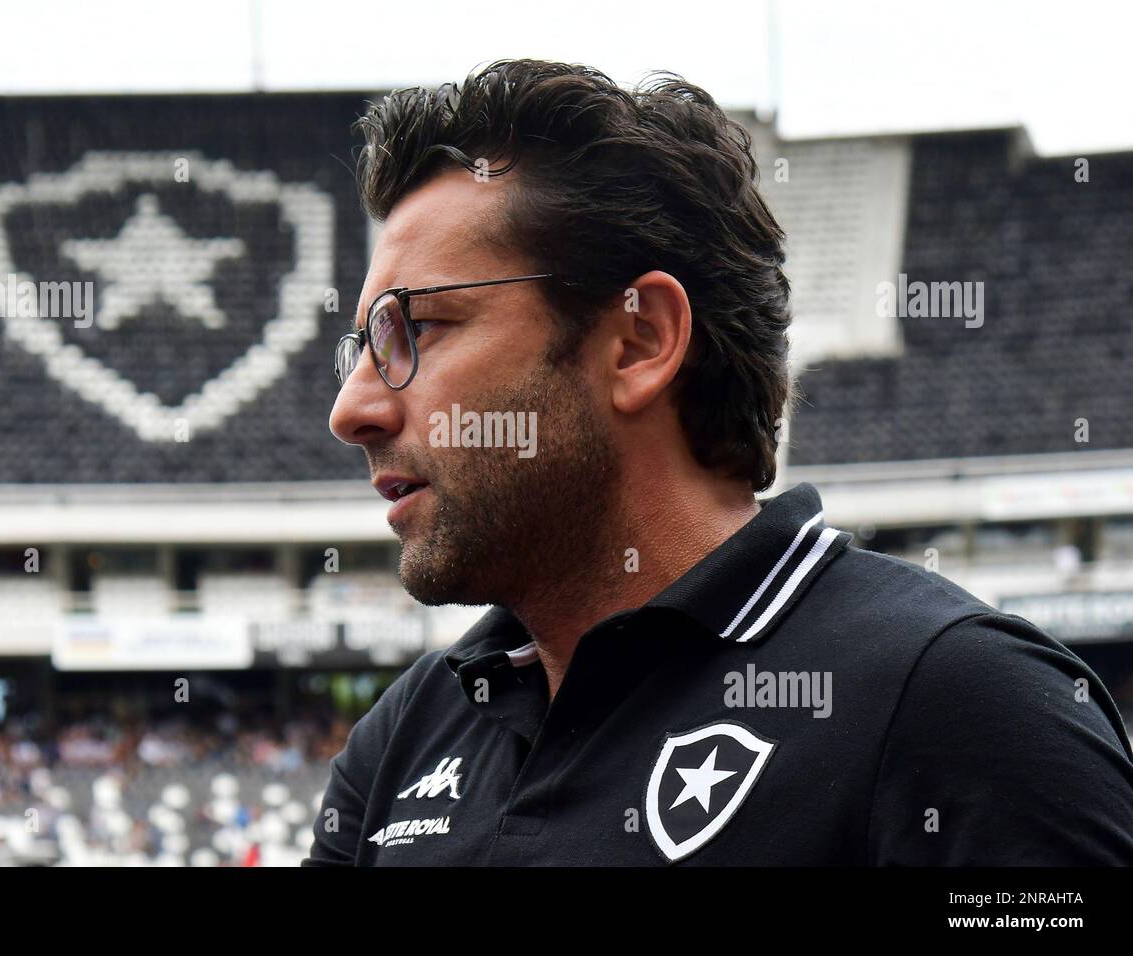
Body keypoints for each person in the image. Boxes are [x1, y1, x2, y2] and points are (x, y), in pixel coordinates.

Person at [307, 58, 1133, 865]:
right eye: (363, 348)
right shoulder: (407, 735)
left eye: (419, 329)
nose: (353, 410)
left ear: (639, 341)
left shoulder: (963, 706)